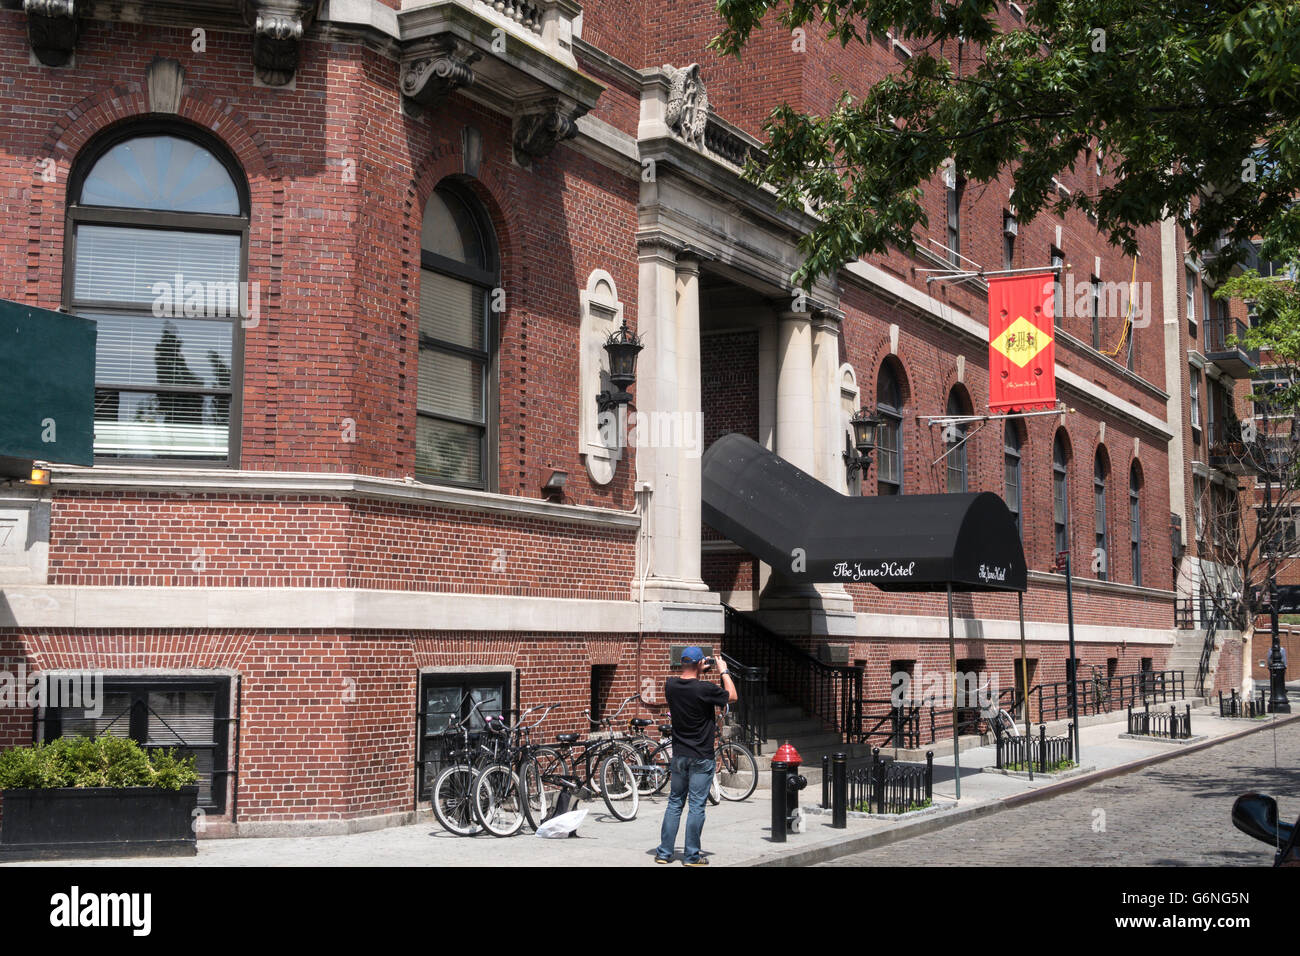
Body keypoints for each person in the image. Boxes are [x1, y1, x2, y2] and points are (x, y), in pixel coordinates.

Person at [654, 645, 737, 866]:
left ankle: (663, 853)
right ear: (700, 663)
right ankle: (691, 856)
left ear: (683, 662)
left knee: (674, 803)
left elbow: (690, 683)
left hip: (680, 754)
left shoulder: (670, 685)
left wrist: (700, 669)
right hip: (701, 755)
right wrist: (723, 670)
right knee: (697, 806)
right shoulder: (705, 689)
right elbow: (733, 696)